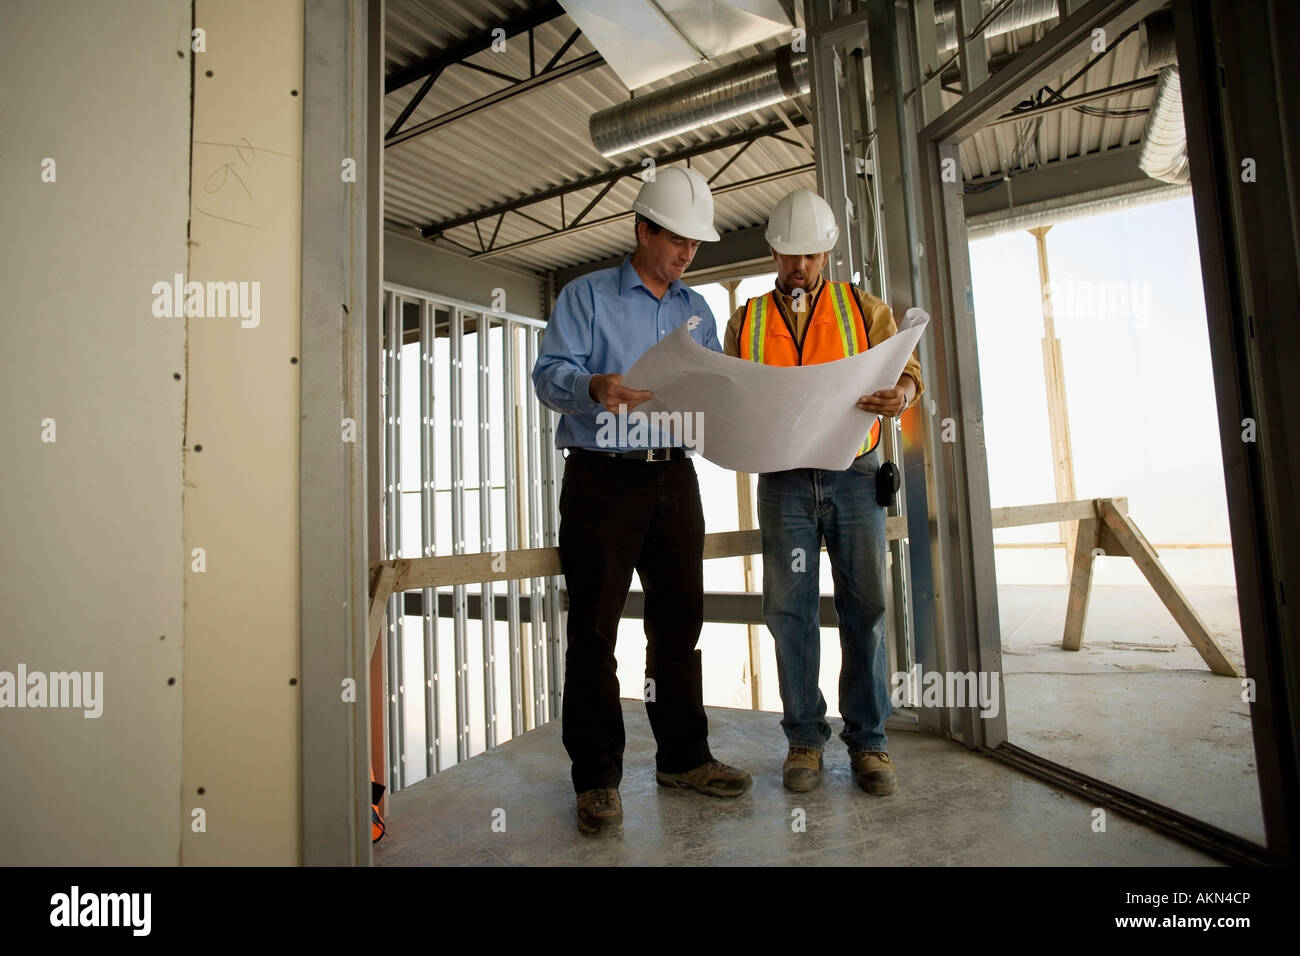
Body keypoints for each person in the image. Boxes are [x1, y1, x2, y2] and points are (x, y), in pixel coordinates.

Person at [532, 166, 753, 836]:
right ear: (643, 228)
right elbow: (549, 374)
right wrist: (595, 387)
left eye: (695, 242)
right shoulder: (585, 297)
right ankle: (597, 779)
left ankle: (684, 758)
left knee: (680, 621)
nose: (688, 252)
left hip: (674, 477)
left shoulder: (697, 309)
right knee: (595, 631)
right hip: (602, 478)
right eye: (677, 238)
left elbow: (712, 384)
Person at [723, 188, 924, 796]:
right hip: (784, 481)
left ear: (828, 253)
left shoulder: (867, 311)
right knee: (791, 611)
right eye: (788, 255)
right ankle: (804, 740)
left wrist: (904, 398)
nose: (799, 267)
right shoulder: (747, 319)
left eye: (810, 256)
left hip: (856, 477)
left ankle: (870, 743)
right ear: (774, 253)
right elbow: (730, 389)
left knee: (866, 609)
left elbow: (907, 371)